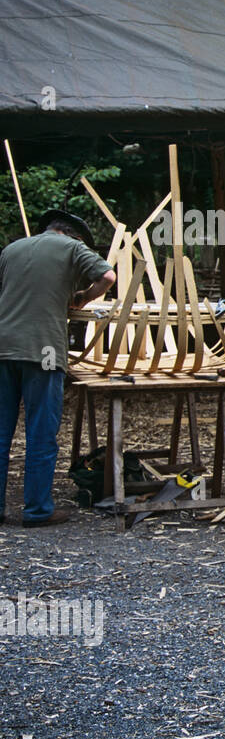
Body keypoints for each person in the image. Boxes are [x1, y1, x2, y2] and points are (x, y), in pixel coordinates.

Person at [0, 209, 115, 526]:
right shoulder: (73, 248)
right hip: (45, 349)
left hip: (3, 347)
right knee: (41, 432)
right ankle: (37, 510)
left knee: (0, 433)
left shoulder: (11, 249)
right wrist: (81, 298)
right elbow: (107, 277)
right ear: (74, 236)